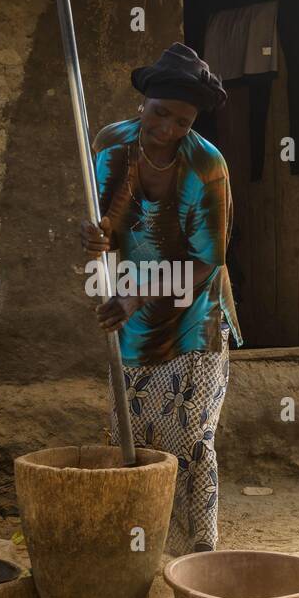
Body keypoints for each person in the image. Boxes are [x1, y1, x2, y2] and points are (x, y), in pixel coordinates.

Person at [79, 42, 243, 554]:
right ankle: (139, 547)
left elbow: (206, 261)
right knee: (131, 434)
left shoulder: (207, 166)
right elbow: (108, 216)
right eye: (160, 113)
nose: (168, 128)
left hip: (194, 315)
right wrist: (96, 236)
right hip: (131, 311)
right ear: (141, 106)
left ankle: (197, 556)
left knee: (191, 439)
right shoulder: (112, 145)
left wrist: (134, 299)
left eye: (182, 120)